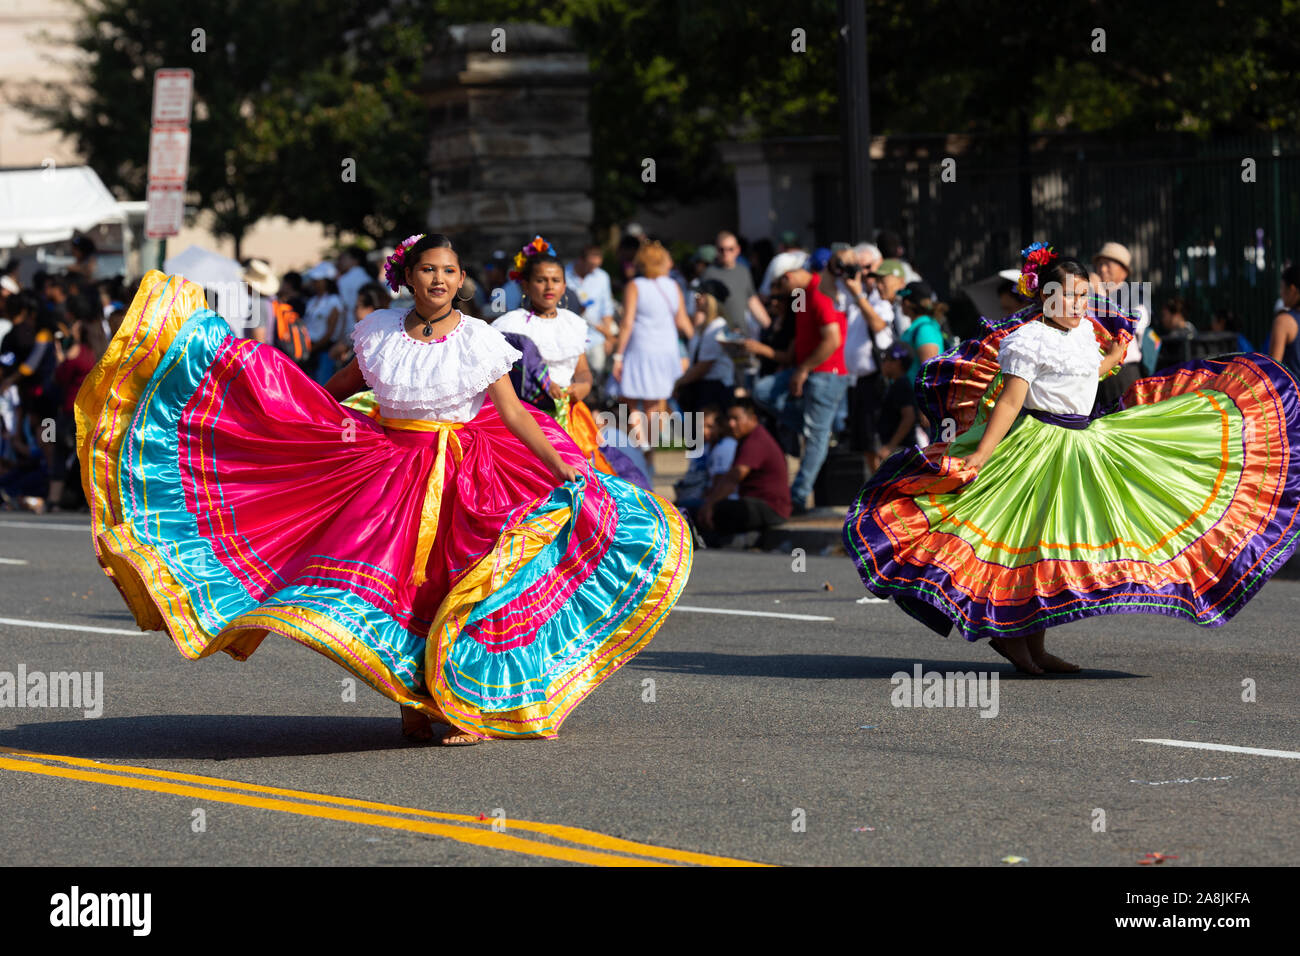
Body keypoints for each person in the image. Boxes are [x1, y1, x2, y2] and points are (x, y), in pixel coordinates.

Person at [75, 232, 692, 746]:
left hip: (467, 472)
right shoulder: (378, 332)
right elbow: (331, 392)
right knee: (402, 593)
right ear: (409, 276)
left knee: (453, 586)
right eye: (429, 269)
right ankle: (412, 701)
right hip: (386, 466)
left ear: (462, 280)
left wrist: (567, 472)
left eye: (450, 271)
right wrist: (279, 414)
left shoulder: (479, 338)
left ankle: (453, 706)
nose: (440, 280)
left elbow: (514, 414)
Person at [844, 242, 1300, 674]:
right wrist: (982, 454)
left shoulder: (1084, 332)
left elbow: (1084, 374)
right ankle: (1012, 636)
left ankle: (1033, 644)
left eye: (1085, 294)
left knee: (1056, 549)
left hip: (1085, 441)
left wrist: (1114, 358)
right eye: (1070, 294)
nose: (1081, 302)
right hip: (1036, 445)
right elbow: (1008, 402)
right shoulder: (1028, 340)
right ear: (1045, 296)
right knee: (1029, 544)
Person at [491, 235, 626, 481]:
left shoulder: (572, 323)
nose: (549, 286)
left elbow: (582, 369)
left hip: (572, 416)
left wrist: (583, 386)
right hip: (528, 416)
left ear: (565, 286)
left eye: (555, 280)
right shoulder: (511, 325)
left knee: (585, 477)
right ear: (526, 285)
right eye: (541, 280)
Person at [740, 253, 850, 514]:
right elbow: (800, 343)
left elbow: (832, 340)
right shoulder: (803, 295)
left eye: (780, 287)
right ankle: (821, 435)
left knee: (814, 434)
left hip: (825, 373)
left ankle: (798, 496)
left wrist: (802, 369)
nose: (780, 295)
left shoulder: (819, 292)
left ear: (788, 277)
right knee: (764, 392)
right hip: (811, 371)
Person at [612, 239, 693, 463]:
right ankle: (651, 447)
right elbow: (682, 320)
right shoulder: (673, 286)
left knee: (631, 400)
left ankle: (642, 447)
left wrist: (618, 355)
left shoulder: (635, 286)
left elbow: (627, 323)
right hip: (667, 350)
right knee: (656, 402)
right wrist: (697, 342)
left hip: (641, 348)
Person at [697, 397, 790, 546]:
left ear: (752, 419)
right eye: (729, 419)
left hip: (771, 508)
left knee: (720, 510)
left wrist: (710, 505)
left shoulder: (756, 440)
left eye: (736, 419)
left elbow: (734, 477)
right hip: (755, 503)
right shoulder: (746, 439)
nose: (731, 424)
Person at [1092, 242, 1149, 407]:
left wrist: (1100, 295)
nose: (1102, 270)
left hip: (1123, 372)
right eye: (1100, 264)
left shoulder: (1135, 293)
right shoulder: (1090, 295)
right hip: (1099, 370)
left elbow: (1134, 324)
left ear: (1124, 271)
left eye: (1108, 264)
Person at [673, 278, 736, 414]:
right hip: (701, 386)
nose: (695, 299)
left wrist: (678, 383)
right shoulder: (703, 328)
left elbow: (703, 367)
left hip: (715, 389)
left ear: (710, 300)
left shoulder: (718, 327)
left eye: (698, 296)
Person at [565, 243, 617, 384]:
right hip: (570, 337)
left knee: (596, 379)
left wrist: (608, 337)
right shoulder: (564, 275)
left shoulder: (602, 277)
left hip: (595, 337)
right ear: (581, 260)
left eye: (597, 265)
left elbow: (607, 307)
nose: (594, 269)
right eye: (591, 265)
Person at [897, 281, 947, 385]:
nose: (900, 303)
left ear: (907, 303)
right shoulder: (918, 327)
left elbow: (929, 374)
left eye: (902, 299)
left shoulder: (925, 330)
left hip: (916, 400)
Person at [1266, 265, 1300, 381]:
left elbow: (1273, 368)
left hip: (1294, 396)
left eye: (1282, 288)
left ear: (1292, 289)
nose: (1281, 294)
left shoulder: (1284, 322)